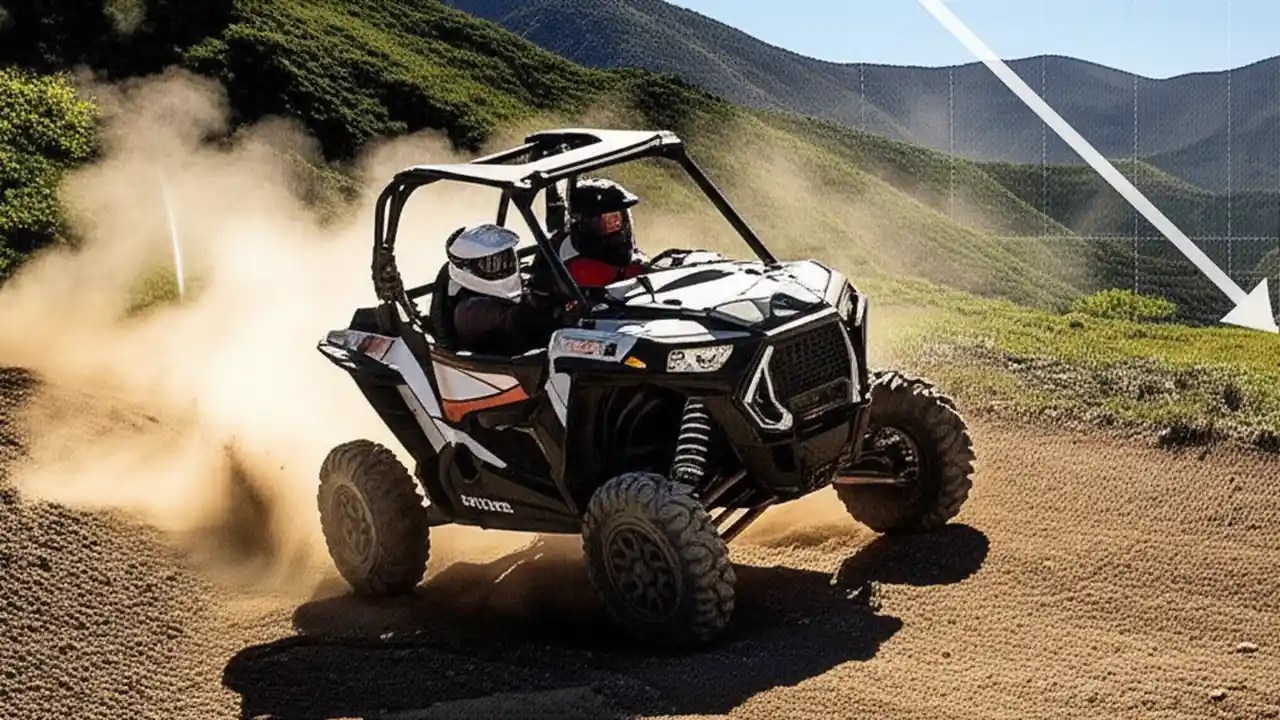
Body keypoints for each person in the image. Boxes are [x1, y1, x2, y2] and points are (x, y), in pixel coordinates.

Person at [447, 224, 570, 355]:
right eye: (493, 264)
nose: (505, 267)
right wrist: (559, 314)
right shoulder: (471, 310)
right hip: (506, 367)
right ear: (467, 270)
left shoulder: (489, 296)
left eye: (507, 259)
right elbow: (519, 323)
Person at [561, 178, 651, 289]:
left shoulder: (637, 264)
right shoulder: (570, 269)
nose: (617, 223)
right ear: (588, 224)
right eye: (609, 220)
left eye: (619, 217)